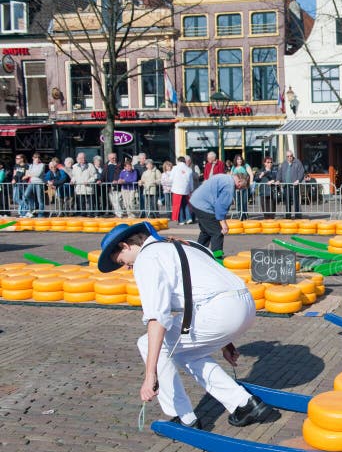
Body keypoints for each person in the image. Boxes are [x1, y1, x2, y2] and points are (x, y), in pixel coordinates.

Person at [96, 222, 273, 430]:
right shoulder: (182, 244)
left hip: (220, 311)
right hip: (245, 304)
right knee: (186, 353)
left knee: (148, 343)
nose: (126, 267)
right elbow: (208, 285)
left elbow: (157, 318)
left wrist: (150, 375)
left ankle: (184, 417)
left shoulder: (147, 258)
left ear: (125, 246)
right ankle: (243, 403)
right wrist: (225, 342)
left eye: (122, 261)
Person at [189, 172, 249, 256]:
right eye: (241, 187)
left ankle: (197, 254)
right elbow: (221, 206)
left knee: (206, 232)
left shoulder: (225, 177)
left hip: (196, 202)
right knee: (217, 232)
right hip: (204, 206)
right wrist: (223, 224)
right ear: (239, 181)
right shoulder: (229, 185)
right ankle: (217, 258)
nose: (239, 189)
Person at [278, 150, 305, 219]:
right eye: (288, 156)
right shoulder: (284, 163)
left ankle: (297, 216)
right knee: (287, 201)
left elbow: (301, 172)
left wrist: (298, 180)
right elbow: (279, 173)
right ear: (286, 157)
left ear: (293, 156)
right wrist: (278, 180)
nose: (289, 157)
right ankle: (288, 216)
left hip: (294, 185)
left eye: (291, 156)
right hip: (286, 185)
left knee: (296, 201)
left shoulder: (297, 162)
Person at [171, 157, 194, 224]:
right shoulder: (189, 169)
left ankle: (181, 220)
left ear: (178, 161)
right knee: (186, 204)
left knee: (179, 205)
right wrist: (191, 189)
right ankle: (189, 218)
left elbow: (171, 178)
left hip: (177, 189)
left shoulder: (175, 168)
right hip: (186, 189)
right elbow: (191, 181)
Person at [22, 153, 46, 218]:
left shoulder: (42, 165)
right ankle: (33, 208)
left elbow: (38, 174)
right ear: (33, 158)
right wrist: (31, 174)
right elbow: (28, 174)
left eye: (38, 157)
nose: (37, 159)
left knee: (40, 199)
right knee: (26, 195)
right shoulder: (31, 165)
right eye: (35, 157)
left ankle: (41, 214)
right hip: (32, 182)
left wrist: (30, 174)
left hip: (39, 183)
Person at [231, 155, 250, 220]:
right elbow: (231, 176)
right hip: (236, 188)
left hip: (244, 187)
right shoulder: (233, 167)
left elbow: (250, 175)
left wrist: (250, 183)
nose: (240, 160)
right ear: (236, 160)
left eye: (240, 159)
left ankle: (245, 216)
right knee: (238, 202)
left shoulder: (245, 166)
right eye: (238, 159)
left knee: (244, 202)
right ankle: (240, 216)